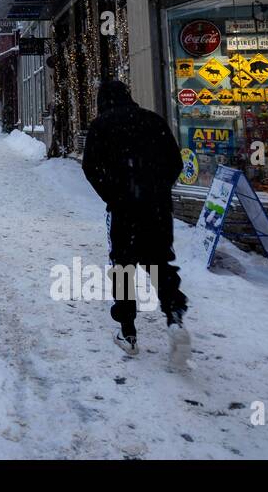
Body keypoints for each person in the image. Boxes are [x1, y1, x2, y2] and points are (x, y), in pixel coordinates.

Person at [81, 79, 191, 368]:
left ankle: (128, 332)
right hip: (156, 210)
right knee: (160, 263)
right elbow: (175, 163)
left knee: (124, 267)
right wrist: (156, 189)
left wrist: (115, 194)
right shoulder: (153, 121)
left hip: (124, 211)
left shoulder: (101, 126)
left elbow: (90, 168)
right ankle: (175, 317)